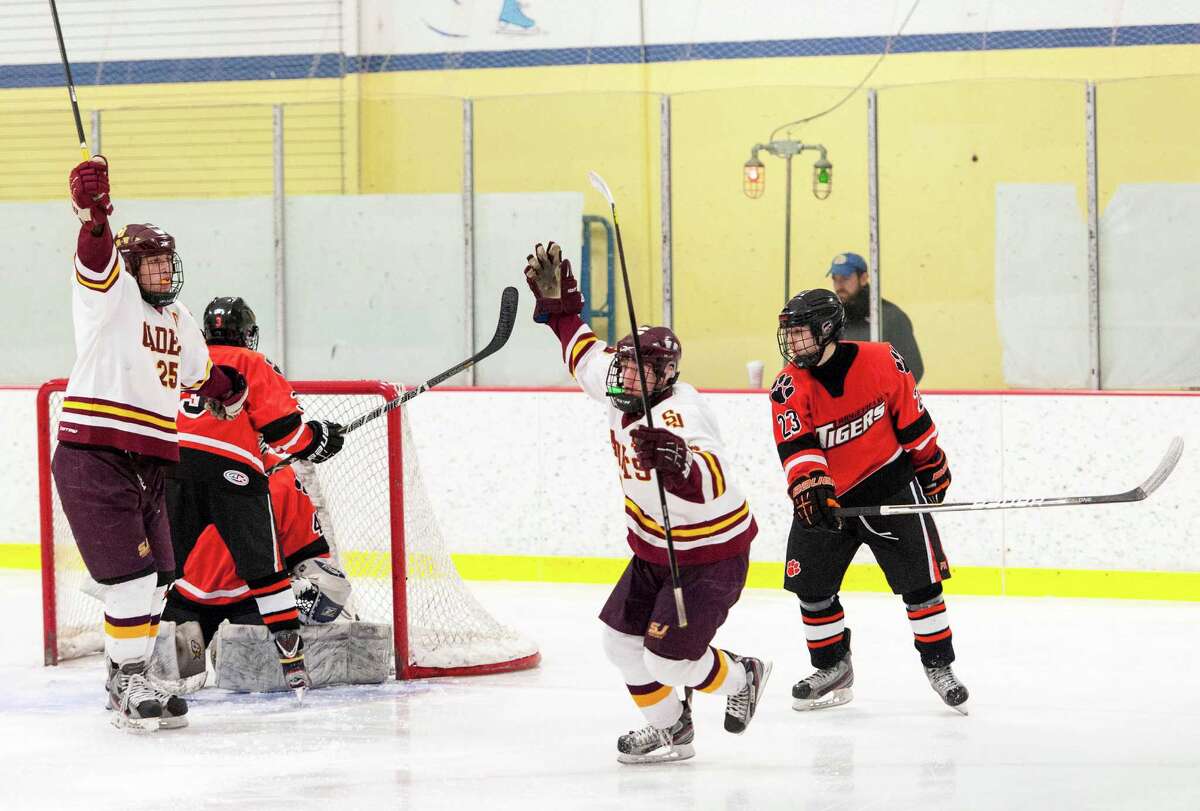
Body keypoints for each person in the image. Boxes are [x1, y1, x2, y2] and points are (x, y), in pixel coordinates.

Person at [524, 241, 770, 764]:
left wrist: (680, 464)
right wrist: (562, 313)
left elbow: (716, 481)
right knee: (618, 644)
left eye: (641, 370)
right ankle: (670, 730)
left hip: (710, 555)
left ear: (667, 377)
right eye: (625, 365)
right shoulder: (617, 383)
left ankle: (742, 674)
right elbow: (583, 352)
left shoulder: (681, 414)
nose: (626, 375)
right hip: (654, 550)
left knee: (669, 663)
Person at [52, 156, 248, 731]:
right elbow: (94, 256)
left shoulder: (180, 316)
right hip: (97, 455)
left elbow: (195, 373)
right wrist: (94, 215)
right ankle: (127, 679)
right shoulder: (109, 297)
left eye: (168, 263)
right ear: (131, 265)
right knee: (131, 581)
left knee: (158, 579)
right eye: (153, 264)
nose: (163, 273)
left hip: (151, 463)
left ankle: (127, 673)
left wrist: (225, 390)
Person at [769, 288, 968, 714]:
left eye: (801, 334)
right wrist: (811, 489)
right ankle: (833, 667)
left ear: (827, 330)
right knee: (812, 589)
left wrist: (930, 463)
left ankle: (940, 666)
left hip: (889, 483)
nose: (793, 345)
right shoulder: (789, 386)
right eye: (790, 335)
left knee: (922, 585)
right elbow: (797, 446)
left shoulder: (881, 360)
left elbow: (912, 419)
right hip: (828, 499)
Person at [168, 296, 344, 700]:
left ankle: (128, 666)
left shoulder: (181, 359)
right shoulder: (278, 477)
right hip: (248, 598)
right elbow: (288, 432)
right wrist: (316, 440)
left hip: (172, 479)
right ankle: (291, 658)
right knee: (271, 580)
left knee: (154, 583)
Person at [827, 252, 925, 384]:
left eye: (845, 278)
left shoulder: (890, 317)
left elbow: (913, 368)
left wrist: (883, 398)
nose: (839, 285)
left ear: (863, 278)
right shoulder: (832, 319)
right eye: (835, 278)